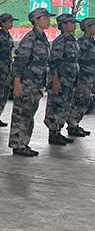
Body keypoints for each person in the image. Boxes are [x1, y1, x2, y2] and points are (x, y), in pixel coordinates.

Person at [9, 8, 54, 157]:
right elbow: (19, 62)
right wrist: (17, 82)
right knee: (21, 114)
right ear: (36, 20)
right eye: (45, 17)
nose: (48, 20)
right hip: (26, 83)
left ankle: (24, 143)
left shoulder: (42, 37)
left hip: (36, 84)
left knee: (29, 114)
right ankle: (18, 145)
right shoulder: (30, 39)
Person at [44, 13, 79, 145]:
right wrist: (56, 80)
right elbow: (54, 62)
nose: (74, 25)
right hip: (61, 79)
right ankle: (53, 134)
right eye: (71, 23)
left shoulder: (72, 40)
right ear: (63, 25)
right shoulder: (61, 41)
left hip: (70, 79)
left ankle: (58, 131)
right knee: (56, 106)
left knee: (65, 106)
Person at [67, 18, 95, 137]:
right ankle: (72, 125)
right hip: (83, 76)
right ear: (87, 28)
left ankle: (75, 123)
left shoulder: (91, 41)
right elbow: (77, 60)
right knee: (80, 100)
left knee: (86, 100)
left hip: (90, 76)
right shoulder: (82, 42)